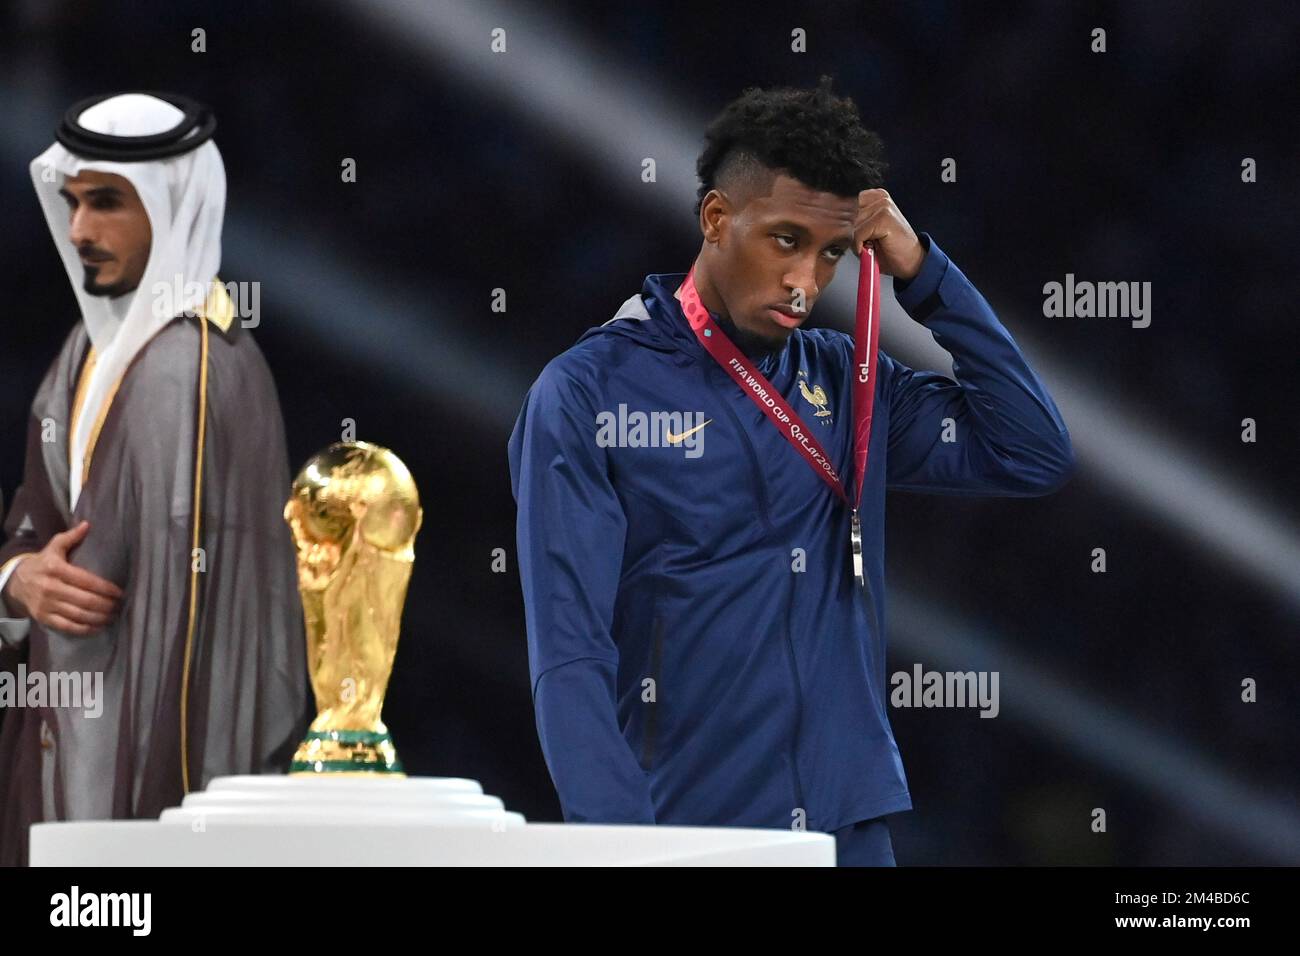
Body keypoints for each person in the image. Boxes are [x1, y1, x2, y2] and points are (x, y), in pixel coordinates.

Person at [507, 76, 1075, 866]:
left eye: (831, 253)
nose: (806, 282)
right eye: (785, 240)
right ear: (716, 219)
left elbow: (1032, 448)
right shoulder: (587, 394)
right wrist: (622, 845)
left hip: (850, 827)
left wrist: (924, 273)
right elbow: (571, 652)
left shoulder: (846, 380)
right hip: (694, 834)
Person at [0, 92, 309, 866]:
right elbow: (29, 528)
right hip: (57, 781)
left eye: (107, 203)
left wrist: (159, 844)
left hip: (146, 813)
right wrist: (17, 582)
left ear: (173, 209)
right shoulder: (83, 352)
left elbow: (202, 650)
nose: (79, 230)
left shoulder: (197, 368)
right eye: (74, 202)